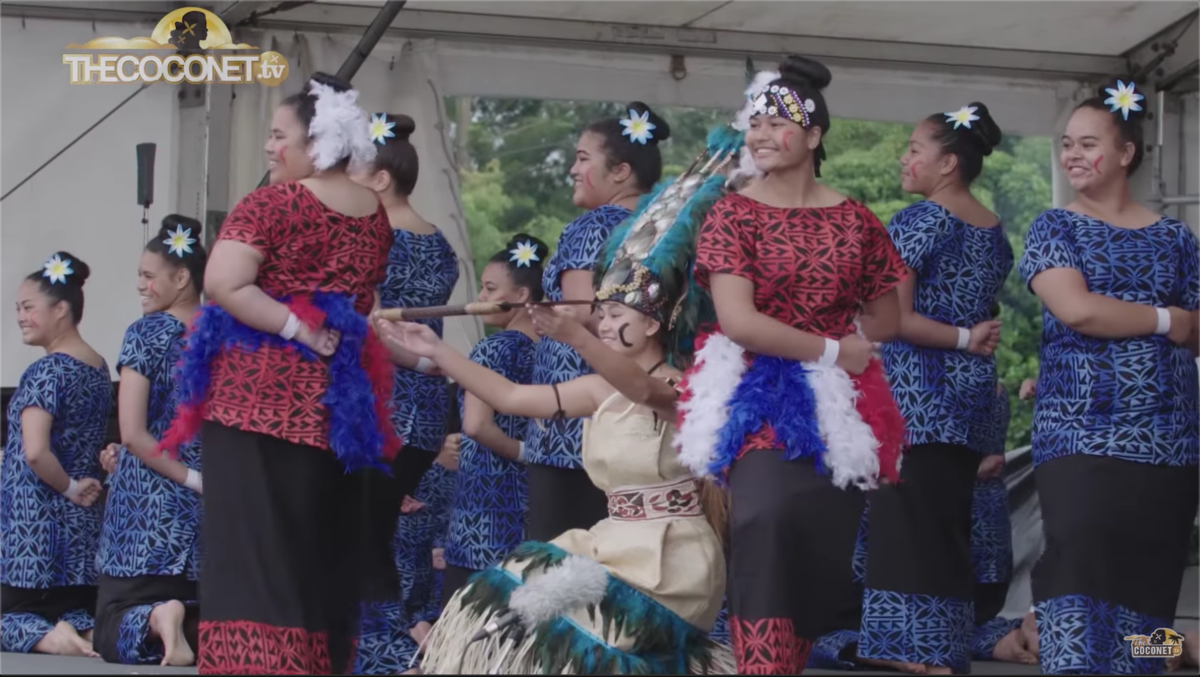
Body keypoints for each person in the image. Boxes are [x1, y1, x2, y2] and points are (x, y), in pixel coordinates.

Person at [379, 128, 737, 673]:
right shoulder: (602, 388)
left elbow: (642, 389)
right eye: (605, 314)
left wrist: (578, 337)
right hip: (613, 543)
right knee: (510, 596)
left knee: (569, 640)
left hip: (670, 562)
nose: (608, 321)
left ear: (653, 325)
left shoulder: (681, 389)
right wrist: (437, 351)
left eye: (619, 316)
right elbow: (511, 396)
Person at [160, 72, 400, 675]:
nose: (270, 148)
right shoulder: (375, 213)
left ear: (316, 141)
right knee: (314, 552)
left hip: (254, 406)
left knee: (255, 557)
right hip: (334, 414)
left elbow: (221, 282)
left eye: (277, 135)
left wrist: (294, 329)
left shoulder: (275, 201)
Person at [675, 54, 907, 675]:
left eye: (777, 123)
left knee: (817, 540)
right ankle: (761, 666)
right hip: (758, 390)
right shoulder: (733, 212)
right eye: (754, 122)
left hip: (838, 402)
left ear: (813, 134)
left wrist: (843, 339)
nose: (759, 134)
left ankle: (789, 661)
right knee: (765, 519)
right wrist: (832, 346)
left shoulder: (856, 219)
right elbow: (739, 322)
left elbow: (887, 317)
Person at [1019, 79, 1198, 675]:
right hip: (1080, 432)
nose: (1072, 154)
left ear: (1125, 153)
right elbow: (1079, 310)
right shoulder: (1054, 229)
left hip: (1169, 440)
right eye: (1066, 143)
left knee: (1151, 583)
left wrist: (1182, 325)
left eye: (1087, 142)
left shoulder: (1176, 237)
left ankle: (1150, 660)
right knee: (1077, 561)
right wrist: (1166, 318)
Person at [859, 101, 1012, 675]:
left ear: (948, 162)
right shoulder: (992, 228)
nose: (905, 158)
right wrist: (970, 337)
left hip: (918, 392)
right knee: (946, 520)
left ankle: (905, 650)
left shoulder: (920, 220)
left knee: (906, 519)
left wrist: (959, 337)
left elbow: (892, 320)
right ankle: (943, 647)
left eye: (916, 149)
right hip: (969, 398)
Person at [522, 102, 670, 542]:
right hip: (636, 414)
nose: (573, 168)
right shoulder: (662, 226)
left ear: (621, 171)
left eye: (583, 158)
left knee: (557, 560)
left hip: (573, 425)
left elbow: (580, 310)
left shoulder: (596, 225)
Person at [349, 111, 459, 676]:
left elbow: (369, 327)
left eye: (355, 168)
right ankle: (386, 645)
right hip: (424, 411)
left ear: (382, 178)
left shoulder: (377, 239)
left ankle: (386, 650)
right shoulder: (438, 244)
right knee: (374, 527)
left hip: (382, 406)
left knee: (361, 531)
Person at [92, 216, 207, 667]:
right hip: (205, 517)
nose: (140, 285)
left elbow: (135, 434)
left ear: (181, 278)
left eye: (147, 275)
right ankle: (176, 617)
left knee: (110, 627)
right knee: (209, 622)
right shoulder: (222, 335)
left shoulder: (145, 333)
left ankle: (160, 616)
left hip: (147, 514)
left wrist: (190, 477)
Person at [1, 252, 112, 657]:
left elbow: (35, 452)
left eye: (28, 307)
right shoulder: (98, 368)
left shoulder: (46, 372)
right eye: (18, 308)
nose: (20, 316)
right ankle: (77, 634)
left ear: (61, 309)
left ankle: (50, 640)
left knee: (11, 614)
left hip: (34, 530)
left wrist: (66, 488)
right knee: (73, 606)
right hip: (81, 529)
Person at [441, 236, 545, 598]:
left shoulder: (493, 347)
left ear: (520, 296)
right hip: (530, 498)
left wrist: (520, 452)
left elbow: (476, 424)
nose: (481, 298)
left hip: (484, 500)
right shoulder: (549, 350)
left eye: (489, 289)